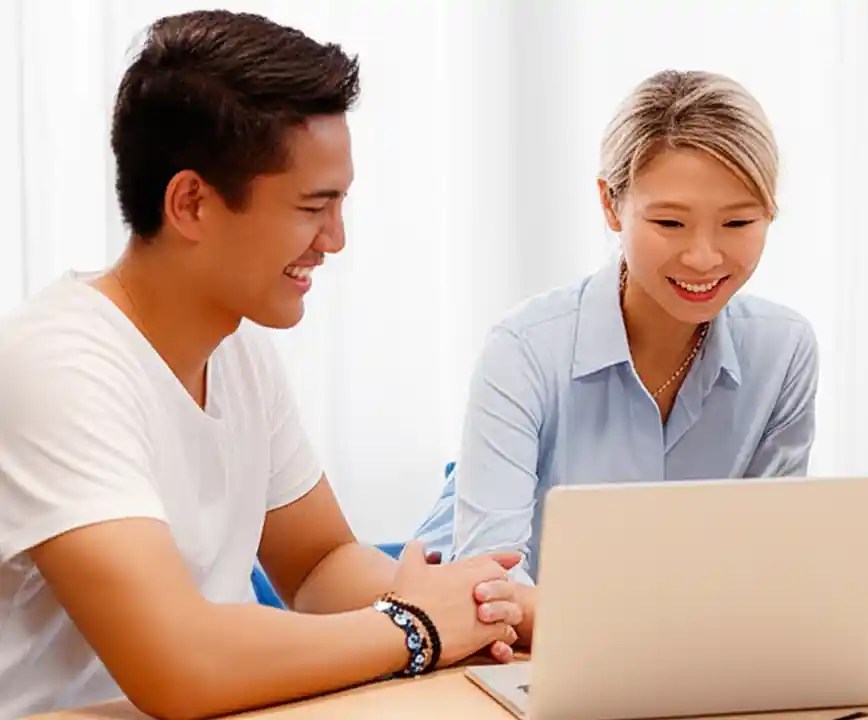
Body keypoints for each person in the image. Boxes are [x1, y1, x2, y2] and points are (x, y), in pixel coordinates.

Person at [0, 11, 523, 718]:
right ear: (191, 203)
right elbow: (176, 666)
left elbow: (317, 565)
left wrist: (480, 603)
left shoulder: (238, 348)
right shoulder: (56, 368)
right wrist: (415, 629)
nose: (335, 240)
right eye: (315, 206)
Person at [415, 70, 819, 644]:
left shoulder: (783, 350)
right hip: (486, 662)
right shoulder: (525, 349)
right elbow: (491, 593)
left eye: (737, 222)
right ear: (611, 204)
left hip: (667, 666)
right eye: (669, 223)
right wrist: (676, 626)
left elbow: (766, 570)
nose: (704, 257)